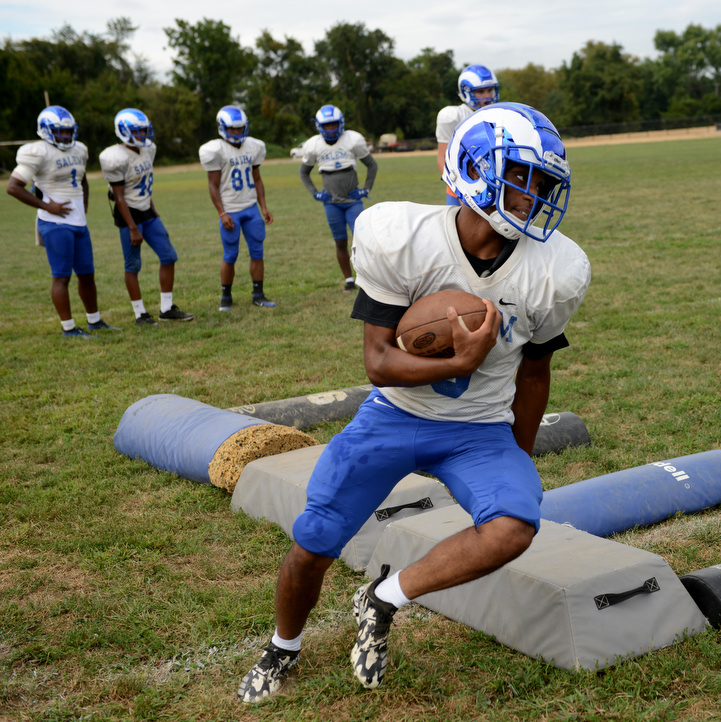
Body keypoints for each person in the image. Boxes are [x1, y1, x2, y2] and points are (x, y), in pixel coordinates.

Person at [236, 102, 589, 703]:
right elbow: (378, 363)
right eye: (522, 178)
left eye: (544, 183)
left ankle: (383, 597)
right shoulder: (402, 237)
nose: (535, 196)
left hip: (479, 429)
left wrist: (519, 454)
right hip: (395, 414)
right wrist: (458, 361)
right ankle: (282, 646)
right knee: (311, 545)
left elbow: (535, 372)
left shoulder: (555, 269)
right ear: (475, 171)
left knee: (512, 527)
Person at [6, 106, 119, 338]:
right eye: (61, 132)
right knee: (62, 276)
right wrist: (48, 206)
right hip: (54, 223)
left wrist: (84, 205)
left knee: (87, 274)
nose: (66, 136)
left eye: (68, 132)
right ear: (46, 131)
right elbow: (13, 187)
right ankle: (68, 328)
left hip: (78, 223)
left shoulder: (79, 149)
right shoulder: (38, 151)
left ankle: (94, 321)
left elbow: (82, 179)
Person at [99, 108, 194, 326]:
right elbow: (120, 197)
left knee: (169, 256)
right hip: (128, 214)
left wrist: (152, 205)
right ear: (123, 132)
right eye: (137, 131)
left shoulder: (148, 150)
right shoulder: (115, 157)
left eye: (144, 130)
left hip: (147, 210)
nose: (142, 135)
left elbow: (143, 183)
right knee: (133, 265)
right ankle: (140, 314)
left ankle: (166, 308)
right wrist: (132, 227)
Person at [198, 105, 276, 311]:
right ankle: (226, 296)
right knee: (230, 255)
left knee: (257, 252)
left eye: (239, 128)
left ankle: (258, 294)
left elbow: (257, 179)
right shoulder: (215, 149)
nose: (236, 132)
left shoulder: (254, 146)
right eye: (232, 129)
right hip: (231, 210)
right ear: (222, 128)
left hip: (250, 208)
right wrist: (222, 212)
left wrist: (264, 207)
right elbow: (213, 185)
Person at [298, 104, 378, 292]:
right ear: (319, 126)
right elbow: (303, 173)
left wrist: (365, 189)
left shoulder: (352, 139)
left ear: (341, 123)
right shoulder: (314, 145)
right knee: (340, 241)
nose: (331, 129)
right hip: (331, 204)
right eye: (327, 126)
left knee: (363, 241)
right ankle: (349, 279)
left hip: (353, 202)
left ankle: (368, 278)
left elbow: (372, 165)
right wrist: (315, 193)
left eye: (334, 124)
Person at [435, 65, 500, 205]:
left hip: (493, 185)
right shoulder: (453, 116)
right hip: (460, 189)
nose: (487, 95)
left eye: (490, 90)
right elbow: (443, 159)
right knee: (455, 226)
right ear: (466, 92)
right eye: (481, 91)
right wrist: (461, 189)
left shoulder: (498, 114)